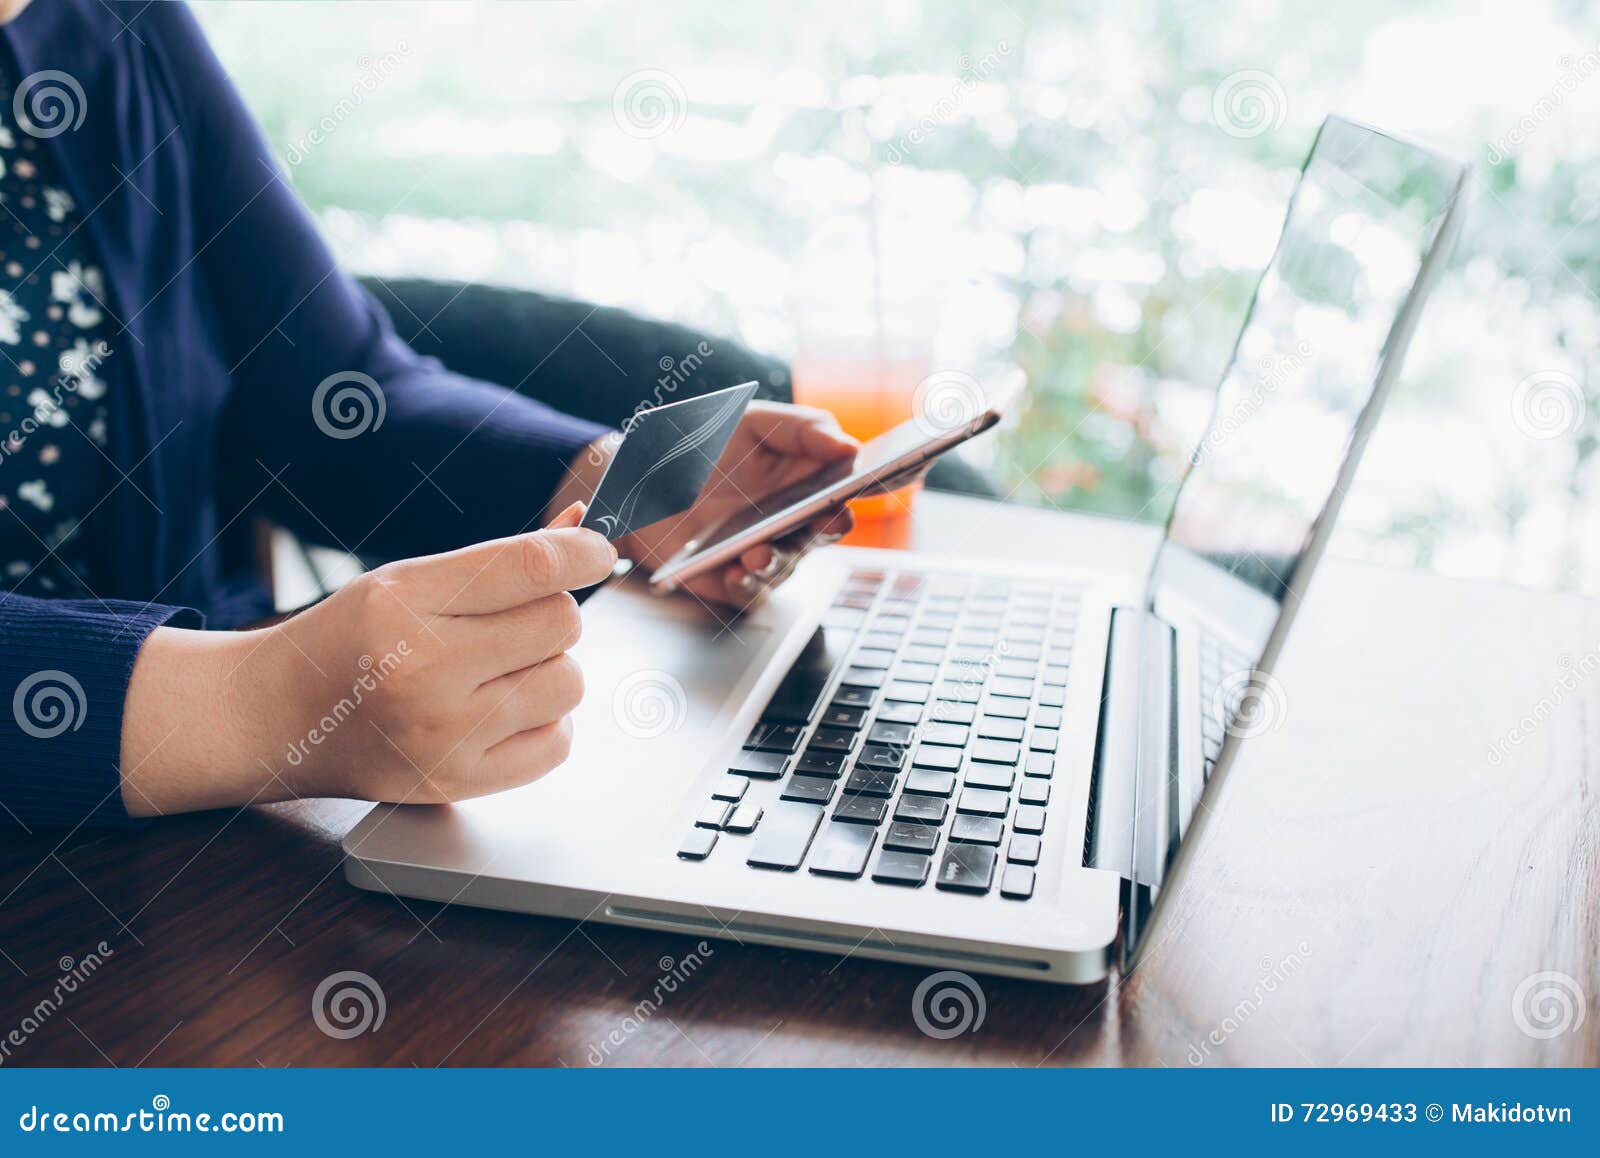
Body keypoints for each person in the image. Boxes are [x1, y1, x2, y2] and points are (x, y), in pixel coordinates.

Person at [0, 0, 855, 832]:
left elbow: (327, 391)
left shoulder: (118, 22)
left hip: (197, 848)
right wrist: (260, 703)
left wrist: (624, 484)